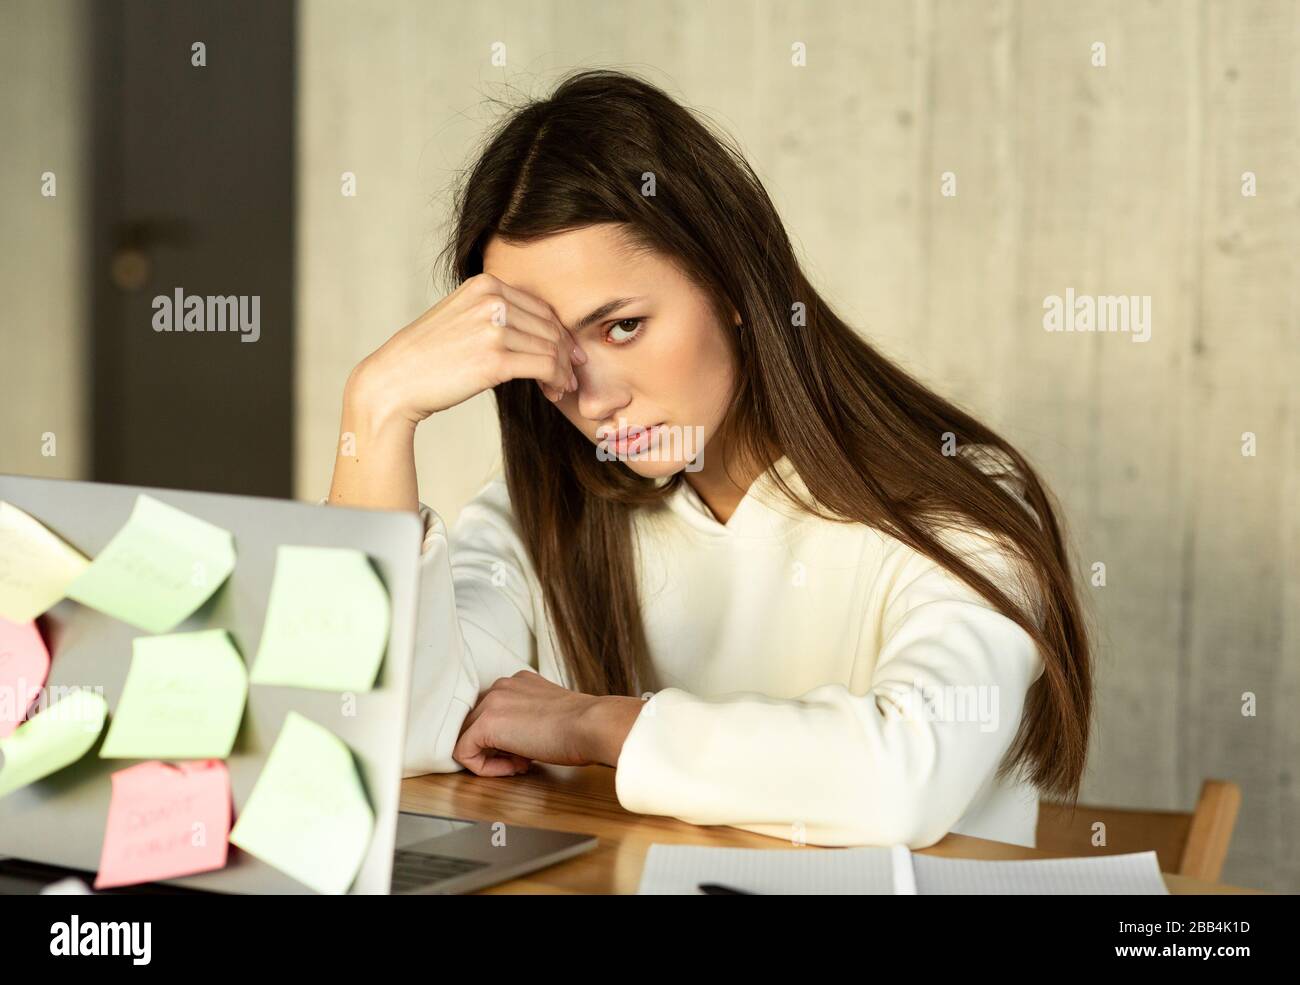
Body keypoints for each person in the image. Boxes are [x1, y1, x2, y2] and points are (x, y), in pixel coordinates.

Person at [327, 69, 1092, 849]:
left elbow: (901, 781)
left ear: (731, 281)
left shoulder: (955, 504)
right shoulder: (537, 515)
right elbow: (367, 734)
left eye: (622, 327)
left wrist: (595, 722)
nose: (591, 399)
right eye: (546, 349)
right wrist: (377, 411)